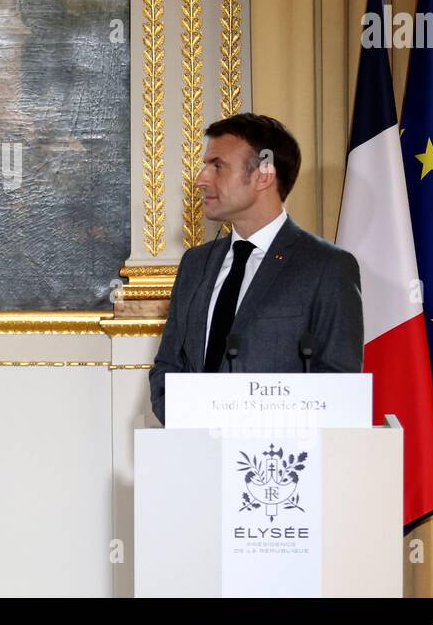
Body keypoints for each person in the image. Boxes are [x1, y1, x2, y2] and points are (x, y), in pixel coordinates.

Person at [149, 113, 362, 425]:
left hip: (278, 463)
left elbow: (339, 383)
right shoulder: (195, 264)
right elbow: (167, 366)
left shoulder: (327, 267)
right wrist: (187, 426)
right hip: (193, 457)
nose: (201, 178)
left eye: (217, 165)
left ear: (264, 175)